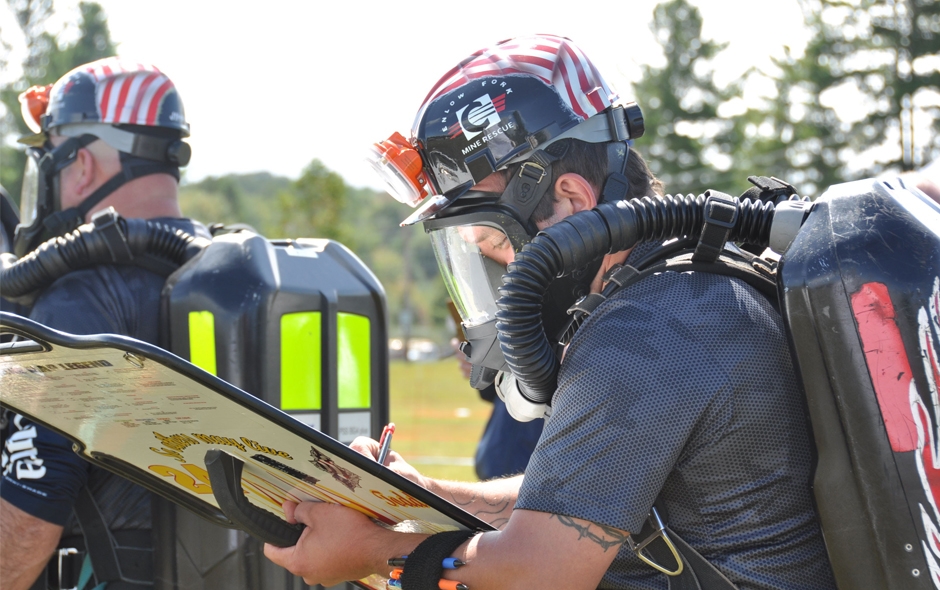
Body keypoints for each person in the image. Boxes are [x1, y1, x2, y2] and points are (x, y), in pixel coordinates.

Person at [265, 34, 837, 589]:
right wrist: (417, 495)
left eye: (493, 242)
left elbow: (538, 570)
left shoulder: (648, 329)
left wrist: (366, 551)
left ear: (570, 200)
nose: (498, 272)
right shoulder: (681, 296)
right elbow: (563, 507)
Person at [0, 58, 207, 590]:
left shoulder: (81, 296)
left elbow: (29, 521)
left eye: (50, 160)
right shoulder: (218, 272)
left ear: (84, 164)